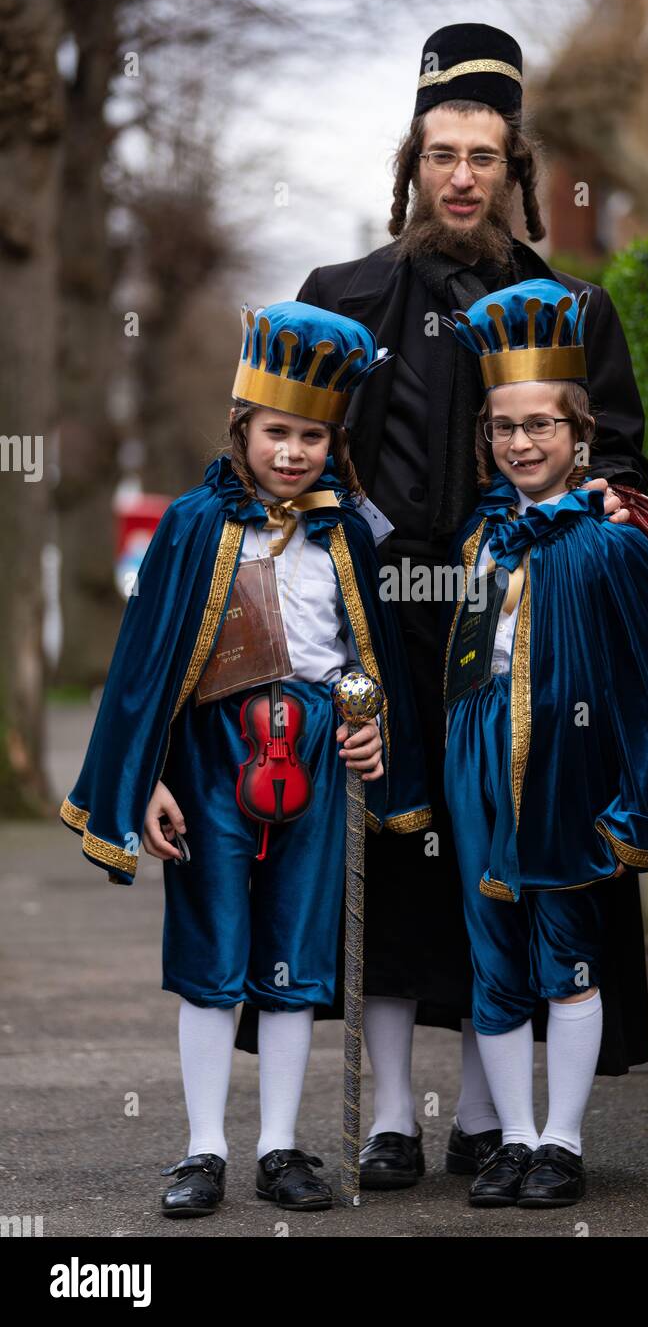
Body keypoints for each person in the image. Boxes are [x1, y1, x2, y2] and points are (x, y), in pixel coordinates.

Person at [234, 21, 648, 1192]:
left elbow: (619, 459)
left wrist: (603, 509)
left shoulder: (570, 309)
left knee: (503, 860)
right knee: (393, 860)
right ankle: (389, 1124)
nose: (460, 177)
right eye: (439, 156)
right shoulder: (341, 299)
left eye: (483, 157)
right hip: (378, 635)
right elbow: (285, 458)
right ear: (411, 167)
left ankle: (489, 1117)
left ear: (515, 170)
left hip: (522, 638)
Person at [59, 300, 431, 1217]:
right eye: (276, 433)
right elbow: (146, 666)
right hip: (209, 757)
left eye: (312, 436)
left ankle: (279, 1147)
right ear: (242, 427)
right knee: (211, 949)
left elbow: (368, 655)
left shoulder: (348, 531)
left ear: (330, 439)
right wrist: (146, 778)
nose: (293, 452)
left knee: (298, 956)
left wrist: (369, 722)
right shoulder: (190, 524)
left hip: (315, 753)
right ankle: (201, 1151)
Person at [439, 278, 648, 1208]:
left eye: (540, 426)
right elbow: (468, 667)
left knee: (566, 956)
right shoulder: (481, 541)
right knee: (491, 962)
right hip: (477, 775)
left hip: (568, 776)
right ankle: (509, 1139)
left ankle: (561, 1140)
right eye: (504, 429)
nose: (521, 444)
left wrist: (640, 797)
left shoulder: (614, 541)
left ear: (579, 434)